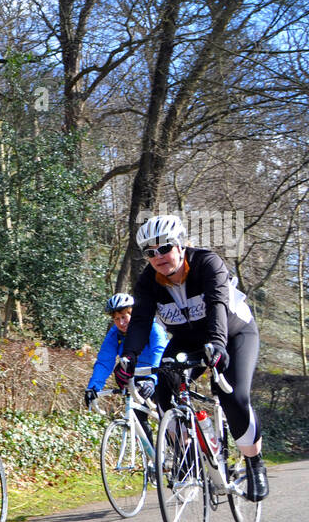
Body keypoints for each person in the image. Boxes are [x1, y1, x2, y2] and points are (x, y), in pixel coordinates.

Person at [115, 214, 269, 500]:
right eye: (150, 252)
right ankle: (186, 456)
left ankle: (255, 464)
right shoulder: (148, 282)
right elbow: (140, 323)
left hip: (233, 334)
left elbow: (217, 305)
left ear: (181, 245)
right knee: (163, 388)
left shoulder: (207, 264)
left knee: (233, 396)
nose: (158, 256)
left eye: (164, 248)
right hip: (187, 340)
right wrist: (129, 357)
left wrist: (217, 344)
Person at [84, 292, 168, 448]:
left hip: (159, 372)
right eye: (116, 318)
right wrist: (93, 387)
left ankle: (177, 449)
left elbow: (159, 352)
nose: (121, 322)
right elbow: (104, 362)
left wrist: (152, 379)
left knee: (166, 412)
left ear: (133, 313)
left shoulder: (152, 327)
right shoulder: (114, 334)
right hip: (135, 375)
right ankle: (152, 462)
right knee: (138, 416)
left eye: (124, 316)